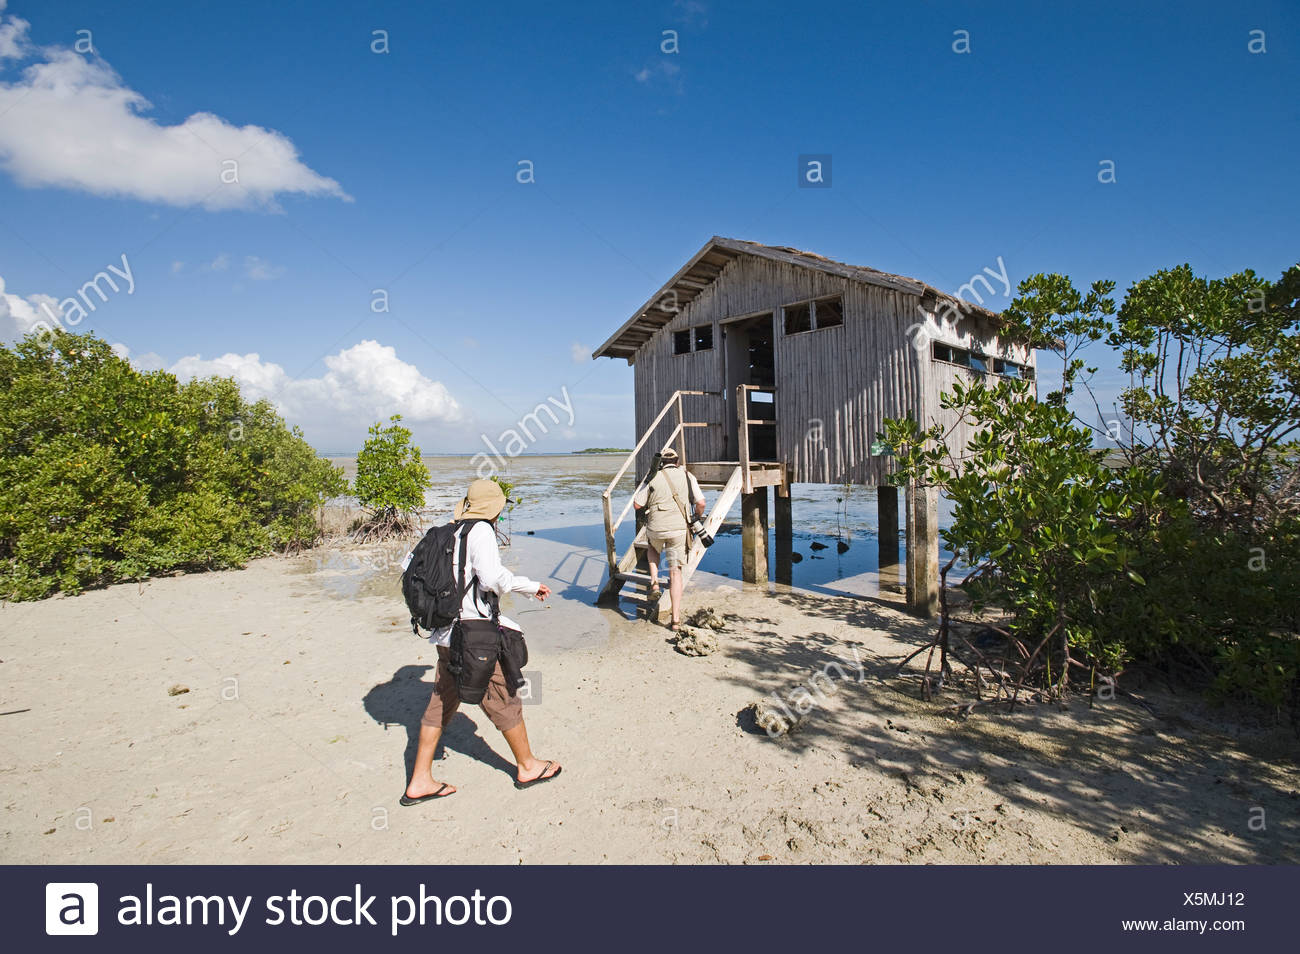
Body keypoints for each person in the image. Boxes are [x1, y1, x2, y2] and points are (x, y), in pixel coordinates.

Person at [402, 478, 561, 805]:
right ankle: (528, 766)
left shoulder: (447, 531)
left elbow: (408, 566)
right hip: (475, 636)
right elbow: (490, 578)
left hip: (445, 632)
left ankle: (420, 780)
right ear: (495, 508)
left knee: (441, 700)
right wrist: (528, 585)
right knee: (504, 696)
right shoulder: (481, 532)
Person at [632, 447, 706, 631]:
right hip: (678, 530)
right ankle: (675, 620)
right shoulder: (688, 476)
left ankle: (655, 582)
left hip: (656, 527)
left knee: (653, 549)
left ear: (661, 462)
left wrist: (648, 480)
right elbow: (701, 503)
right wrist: (696, 517)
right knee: (675, 573)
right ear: (677, 461)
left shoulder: (653, 477)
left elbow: (637, 504)